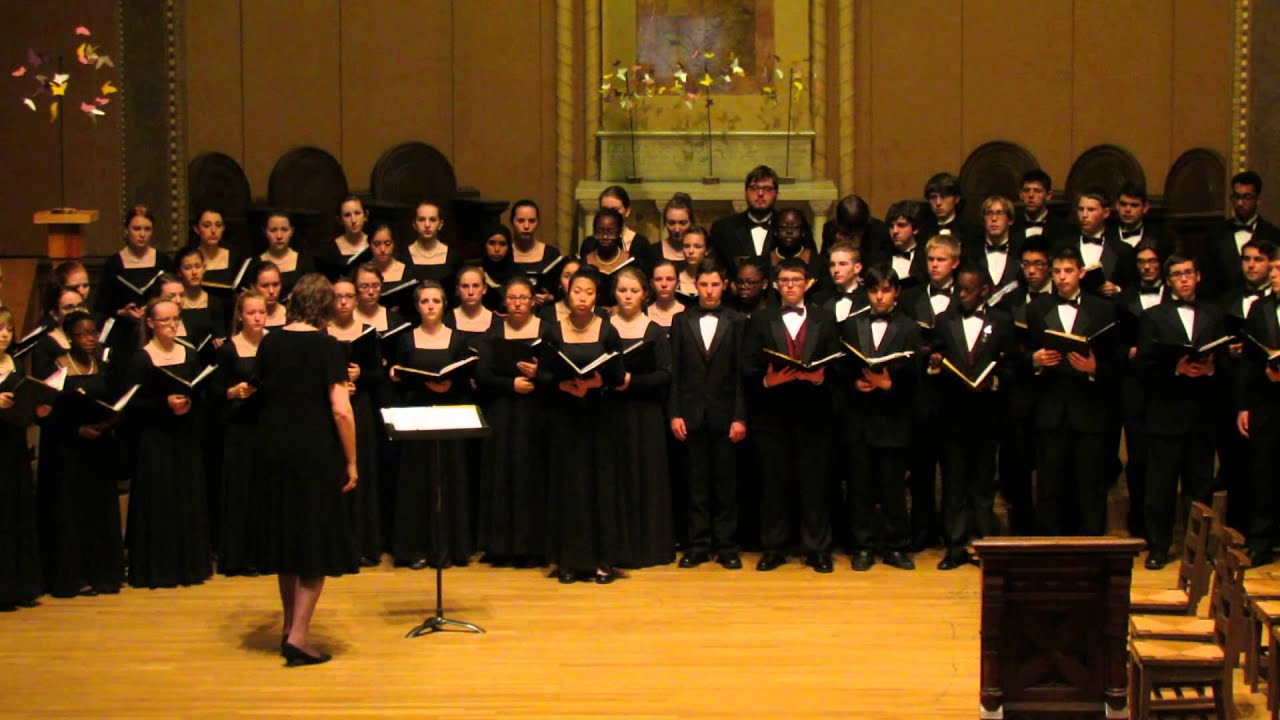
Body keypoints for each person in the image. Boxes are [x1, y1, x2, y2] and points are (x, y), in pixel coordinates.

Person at [253, 273, 358, 667]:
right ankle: (299, 637)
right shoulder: (327, 347)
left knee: (285, 537)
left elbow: (263, 392)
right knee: (314, 541)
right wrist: (351, 460)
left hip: (273, 450)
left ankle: (288, 628)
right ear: (325, 305)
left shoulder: (270, 341)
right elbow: (340, 409)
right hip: (314, 452)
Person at [742, 257, 840, 573]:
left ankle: (817, 548)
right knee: (773, 485)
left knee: (815, 485)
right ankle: (774, 547)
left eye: (796, 280)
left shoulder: (825, 319)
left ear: (808, 283)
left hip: (814, 415)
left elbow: (837, 363)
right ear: (775, 284)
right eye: (784, 281)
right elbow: (747, 366)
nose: (790, 286)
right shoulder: (760, 319)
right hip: (772, 416)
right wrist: (769, 380)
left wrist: (821, 378)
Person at [1133, 255, 1226, 569]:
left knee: (1199, 488)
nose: (1184, 279)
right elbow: (1143, 367)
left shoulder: (1215, 313)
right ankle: (1159, 548)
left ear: (1198, 276)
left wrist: (1212, 369)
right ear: (1168, 280)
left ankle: (1199, 550)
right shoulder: (1153, 317)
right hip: (1165, 412)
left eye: (1188, 273)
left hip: (1202, 413)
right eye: (1176, 275)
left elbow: (1226, 362)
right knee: (1159, 488)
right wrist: (1175, 368)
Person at [537, 269, 627, 583]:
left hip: (599, 415)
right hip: (565, 416)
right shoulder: (552, 330)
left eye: (589, 292)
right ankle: (569, 562)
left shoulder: (607, 330)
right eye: (577, 291)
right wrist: (563, 386)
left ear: (596, 296)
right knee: (569, 486)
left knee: (599, 486)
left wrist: (601, 381)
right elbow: (544, 376)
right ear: (568, 293)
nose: (583, 298)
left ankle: (603, 562)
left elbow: (619, 375)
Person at [927, 264, 1017, 569]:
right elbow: (934, 358)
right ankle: (954, 547)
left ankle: (983, 545)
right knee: (953, 484)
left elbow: (1011, 363)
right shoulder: (944, 320)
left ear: (985, 291)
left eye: (968, 290)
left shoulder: (1002, 321)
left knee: (982, 484)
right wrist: (935, 363)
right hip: (953, 415)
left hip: (986, 416)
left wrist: (996, 379)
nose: (961, 295)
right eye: (958, 289)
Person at [1027, 246, 1120, 535]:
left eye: (1068, 271)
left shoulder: (1103, 308)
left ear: (1081, 273)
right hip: (1051, 409)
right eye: (1056, 272)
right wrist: (1035, 360)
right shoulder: (1037, 308)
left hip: (1089, 408)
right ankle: (1049, 548)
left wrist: (1094, 369)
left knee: (1090, 483)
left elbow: (1116, 362)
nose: (1062, 277)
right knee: (1050, 484)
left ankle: (1092, 546)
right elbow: (1023, 354)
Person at [122, 297, 211, 588]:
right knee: (159, 500)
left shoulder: (189, 354)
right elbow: (131, 404)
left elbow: (202, 391)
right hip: (155, 440)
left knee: (187, 498)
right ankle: (159, 569)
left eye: (176, 319)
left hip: (185, 436)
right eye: (165, 320)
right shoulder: (141, 358)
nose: (172, 325)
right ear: (151, 323)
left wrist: (190, 401)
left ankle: (190, 566)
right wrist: (164, 404)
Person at [840, 266, 923, 571]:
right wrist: (854, 384)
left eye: (886, 290)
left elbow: (916, 379)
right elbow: (841, 369)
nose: (879, 296)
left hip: (893, 420)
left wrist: (890, 385)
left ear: (896, 293)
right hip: (860, 419)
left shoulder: (910, 328)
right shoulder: (851, 325)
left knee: (892, 489)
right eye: (874, 290)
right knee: (860, 488)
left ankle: (896, 546)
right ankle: (862, 546)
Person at [36, 311, 123, 597]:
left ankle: (103, 573)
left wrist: (109, 420)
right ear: (70, 338)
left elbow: (112, 401)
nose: (89, 339)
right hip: (68, 453)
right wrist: (77, 430)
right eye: (83, 334)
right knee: (72, 515)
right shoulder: (57, 368)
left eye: (93, 333)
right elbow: (46, 414)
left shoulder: (103, 365)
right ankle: (74, 577)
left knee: (99, 512)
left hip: (98, 450)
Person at [390, 281, 476, 569]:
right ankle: (416, 548)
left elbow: (467, 377)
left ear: (444, 305)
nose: (430, 306)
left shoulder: (458, 339)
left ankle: (449, 548)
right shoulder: (406, 339)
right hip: (417, 414)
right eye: (425, 301)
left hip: (448, 414)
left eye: (436, 301)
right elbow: (400, 377)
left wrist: (451, 383)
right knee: (417, 481)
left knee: (449, 478)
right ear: (417, 306)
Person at [669, 260, 748, 570]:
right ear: (695, 286)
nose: (710, 290)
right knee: (696, 484)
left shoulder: (738, 321)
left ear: (724, 285)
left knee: (726, 484)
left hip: (726, 414)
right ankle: (698, 544)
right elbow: (674, 372)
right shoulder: (680, 320)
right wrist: (674, 413)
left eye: (715, 284)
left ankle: (726, 545)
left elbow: (742, 375)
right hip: (690, 414)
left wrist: (740, 416)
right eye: (704, 285)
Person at [475, 276, 548, 568]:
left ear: (533, 301)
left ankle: (532, 546)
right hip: (502, 411)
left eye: (524, 298)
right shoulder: (493, 332)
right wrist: (511, 385)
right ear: (505, 301)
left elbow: (557, 371)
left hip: (535, 413)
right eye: (513, 298)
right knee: (501, 473)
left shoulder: (547, 331)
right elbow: (483, 375)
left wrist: (538, 374)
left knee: (531, 475)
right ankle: (501, 546)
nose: (518, 303)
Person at [988, 238, 1054, 534]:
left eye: (1038, 264)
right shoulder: (1009, 301)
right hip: (1018, 397)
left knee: (1053, 468)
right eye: (1026, 264)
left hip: (1055, 395)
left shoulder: (1061, 298)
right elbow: (1002, 353)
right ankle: (1022, 528)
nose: (1031, 271)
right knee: (1017, 468)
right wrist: (1029, 358)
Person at [609, 265, 673, 567]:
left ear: (644, 294)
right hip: (611, 413)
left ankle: (647, 548)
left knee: (645, 476)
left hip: (646, 415)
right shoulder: (604, 328)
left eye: (634, 291)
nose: (628, 296)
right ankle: (617, 548)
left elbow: (665, 375)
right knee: (616, 478)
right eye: (622, 291)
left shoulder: (655, 331)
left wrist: (632, 380)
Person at [328, 277, 384, 568]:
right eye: (338, 296)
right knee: (335, 473)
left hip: (360, 408)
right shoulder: (321, 334)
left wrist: (361, 376)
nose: (344, 302)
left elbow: (379, 376)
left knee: (363, 472)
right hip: (331, 411)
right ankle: (335, 545)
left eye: (349, 296)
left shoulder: (368, 333)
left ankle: (364, 545)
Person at [211, 291, 267, 577]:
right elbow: (215, 390)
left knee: (265, 492)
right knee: (240, 491)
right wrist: (233, 392)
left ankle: (265, 554)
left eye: (261, 312)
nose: (258, 317)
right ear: (241, 316)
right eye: (251, 313)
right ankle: (238, 557)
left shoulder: (273, 344)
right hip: (239, 428)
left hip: (266, 427)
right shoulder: (228, 350)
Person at [0, 307, 47, 610]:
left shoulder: (14, 362)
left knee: (15, 512)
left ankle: (19, 586)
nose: (4, 334)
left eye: (8, 328)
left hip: (13, 446)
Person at [1238, 244, 1280, 565]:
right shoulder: (1259, 308)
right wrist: (1243, 406)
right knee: (1263, 473)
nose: (1274, 275)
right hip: (1266, 401)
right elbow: (1249, 362)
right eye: (1274, 269)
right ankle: (1260, 541)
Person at [96, 205, 174, 367]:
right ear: (126, 230)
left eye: (147, 229)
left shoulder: (163, 262)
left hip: (155, 332)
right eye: (136, 229)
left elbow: (173, 297)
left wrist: (151, 310)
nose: (142, 234)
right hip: (122, 335)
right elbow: (101, 305)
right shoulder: (113, 264)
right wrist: (122, 312)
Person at [1202, 170, 1280, 297]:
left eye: (1246, 197)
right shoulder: (1215, 234)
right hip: (1223, 309)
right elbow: (1207, 278)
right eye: (1236, 197)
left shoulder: (1273, 234)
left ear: (1258, 200)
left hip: (1266, 307)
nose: (1240, 203)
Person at [1055, 188, 1134, 299]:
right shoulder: (1063, 246)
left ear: (1106, 213)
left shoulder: (1122, 249)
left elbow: (1132, 288)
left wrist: (1117, 289)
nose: (1084, 215)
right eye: (1081, 209)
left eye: (1091, 210)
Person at [711, 165, 789, 264]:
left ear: (776, 194)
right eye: (754, 188)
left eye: (767, 189)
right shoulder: (723, 228)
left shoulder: (792, 227)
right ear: (745, 192)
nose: (760, 193)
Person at [580, 185, 651, 269]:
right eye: (605, 209)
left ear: (627, 210)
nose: (610, 214)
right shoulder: (589, 244)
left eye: (615, 210)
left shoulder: (641, 243)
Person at [174, 246, 227, 357]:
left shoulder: (215, 303)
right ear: (179, 272)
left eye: (198, 266)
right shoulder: (175, 302)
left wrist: (220, 344)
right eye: (188, 268)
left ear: (204, 268)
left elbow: (221, 336)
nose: (194, 272)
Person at [508, 200, 562, 308]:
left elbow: (561, 291)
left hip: (545, 314)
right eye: (521, 221)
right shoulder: (505, 253)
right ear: (512, 222)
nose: (526, 226)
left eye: (532, 221)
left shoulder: (551, 254)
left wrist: (550, 298)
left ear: (538, 223)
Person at [191, 207, 248, 306]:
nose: (213, 230)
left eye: (218, 225)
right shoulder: (189, 258)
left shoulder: (235, 257)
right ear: (197, 229)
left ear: (223, 228)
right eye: (207, 225)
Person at [963, 195, 1023, 289]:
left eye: (1000, 213)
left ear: (1010, 220)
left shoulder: (1021, 252)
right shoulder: (970, 253)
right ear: (983, 220)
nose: (994, 218)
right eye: (989, 213)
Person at [820, 193, 893, 268]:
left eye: (857, 232)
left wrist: (856, 249)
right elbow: (824, 263)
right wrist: (838, 247)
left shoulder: (881, 231)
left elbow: (882, 267)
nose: (852, 235)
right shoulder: (830, 229)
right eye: (848, 232)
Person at [404, 201, 461, 294]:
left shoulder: (454, 258)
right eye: (421, 219)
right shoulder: (403, 258)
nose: (427, 225)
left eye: (433, 220)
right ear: (414, 224)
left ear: (441, 224)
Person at [28, 287, 86, 378]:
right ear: (54, 314)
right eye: (69, 308)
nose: (76, 311)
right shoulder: (45, 343)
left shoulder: (91, 337)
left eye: (80, 306)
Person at [257, 211, 315, 300]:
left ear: (292, 231)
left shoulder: (305, 262)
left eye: (284, 229)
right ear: (264, 232)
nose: (279, 236)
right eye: (273, 230)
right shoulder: (254, 264)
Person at [583, 208, 633, 308]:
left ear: (619, 233)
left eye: (610, 232)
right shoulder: (585, 262)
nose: (605, 237)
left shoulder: (631, 262)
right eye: (600, 231)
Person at [1112, 182, 1174, 259]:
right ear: (1117, 205)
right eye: (1123, 204)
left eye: (1134, 205)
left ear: (1145, 207)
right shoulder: (1106, 236)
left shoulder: (1161, 238)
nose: (1127, 209)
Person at [316, 196, 372, 280]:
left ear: (365, 215)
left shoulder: (375, 245)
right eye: (347, 215)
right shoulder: (329, 251)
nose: (353, 220)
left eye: (357, 213)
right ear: (340, 220)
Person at [1012, 169, 1071, 244]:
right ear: (1020, 194)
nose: (1030, 195)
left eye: (1037, 191)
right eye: (1026, 190)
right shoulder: (1011, 226)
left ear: (1048, 195)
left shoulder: (1063, 228)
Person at [448, 265, 499, 351]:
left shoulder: (498, 323)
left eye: (475, 286)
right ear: (457, 290)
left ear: (484, 289)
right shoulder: (446, 321)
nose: (470, 292)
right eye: (465, 286)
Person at [766, 208, 823, 283]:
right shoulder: (763, 262)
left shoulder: (820, 263)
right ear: (775, 231)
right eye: (783, 227)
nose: (789, 231)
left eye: (795, 227)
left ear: (803, 231)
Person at [919, 172, 979, 244]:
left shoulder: (972, 232)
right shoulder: (922, 232)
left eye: (944, 196)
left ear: (956, 199)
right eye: (933, 197)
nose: (938, 203)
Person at [365, 224, 412, 316]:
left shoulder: (408, 271)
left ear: (393, 244)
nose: (382, 249)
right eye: (377, 244)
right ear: (370, 244)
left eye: (387, 244)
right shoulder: (361, 272)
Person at [817, 241, 867, 322]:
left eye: (842, 264)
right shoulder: (820, 300)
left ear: (857, 268)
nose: (836, 270)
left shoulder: (868, 299)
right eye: (832, 265)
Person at [885, 200, 928, 289]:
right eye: (891, 226)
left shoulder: (927, 257)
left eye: (901, 225)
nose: (895, 231)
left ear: (915, 229)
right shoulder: (881, 258)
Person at [480, 225, 518, 313]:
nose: (497, 249)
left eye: (502, 244)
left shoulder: (518, 273)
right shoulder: (476, 275)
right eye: (492, 243)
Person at [657, 193, 695, 266]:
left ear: (691, 222)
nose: (677, 229)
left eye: (682, 223)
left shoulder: (701, 253)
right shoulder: (652, 251)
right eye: (671, 223)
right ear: (665, 223)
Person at [676, 226, 712, 300]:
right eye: (686, 246)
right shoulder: (673, 280)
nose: (691, 251)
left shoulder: (716, 281)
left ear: (707, 250)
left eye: (697, 246)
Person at [645, 259, 684, 326]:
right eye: (658, 279)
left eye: (669, 279)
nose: (664, 284)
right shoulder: (643, 313)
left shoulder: (688, 314)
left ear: (678, 283)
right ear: (652, 284)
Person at [252, 262, 288, 328]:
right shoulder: (247, 319)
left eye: (275, 284)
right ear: (253, 287)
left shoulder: (291, 316)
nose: (271, 291)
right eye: (265, 286)